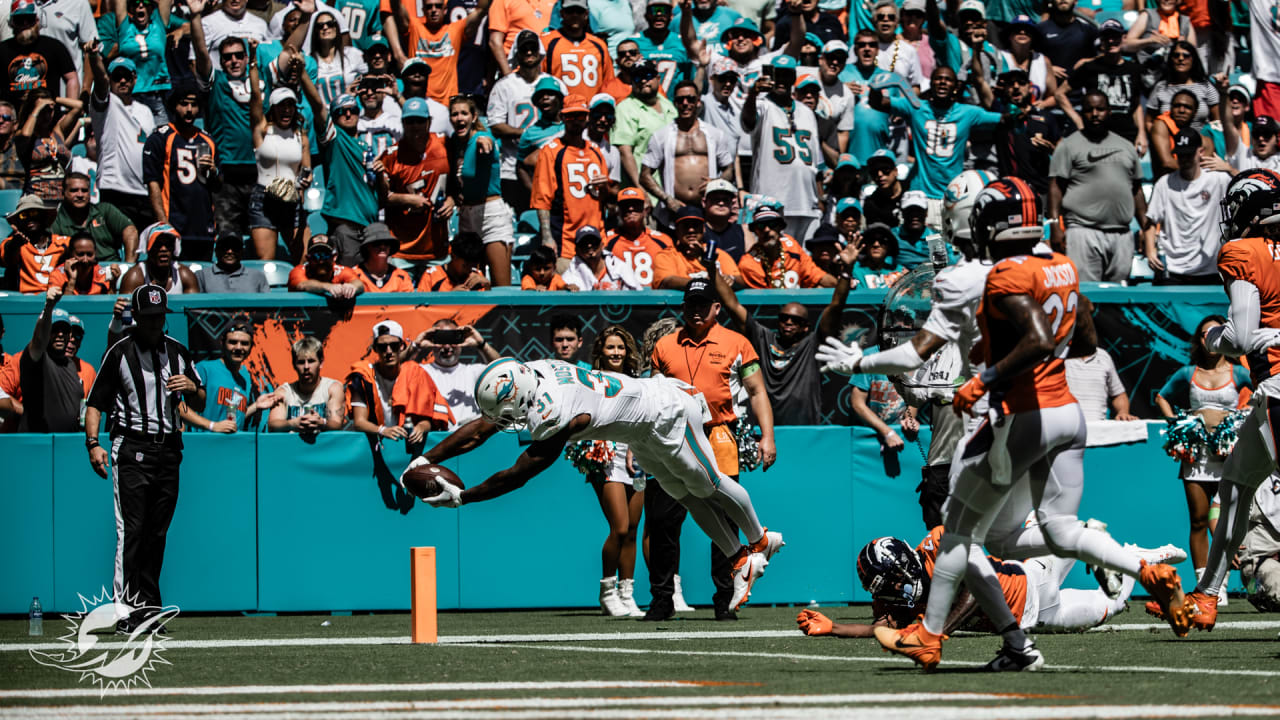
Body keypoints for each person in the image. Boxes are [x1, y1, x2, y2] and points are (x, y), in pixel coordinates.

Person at [873, 177, 1190, 671]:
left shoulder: (1000, 275)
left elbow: (1036, 339)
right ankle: (1136, 569)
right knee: (1052, 531)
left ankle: (931, 637)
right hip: (1069, 414)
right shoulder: (1060, 264)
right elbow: (1084, 342)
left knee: (959, 532)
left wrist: (986, 376)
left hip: (1018, 415)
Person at [406, 354, 783, 619]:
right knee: (687, 492)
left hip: (665, 411)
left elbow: (520, 473)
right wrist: (427, 459)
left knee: (710, 482)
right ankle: (740, 558)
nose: (505, 421)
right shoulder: (530, 374)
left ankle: (760, 538)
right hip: (638, 430)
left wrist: (465, 497)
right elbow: (479, 429)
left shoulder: (556, 411)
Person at [1154, 171, 1280, 632]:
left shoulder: (1242, 251)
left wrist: (1214, 336)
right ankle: (1207, 595)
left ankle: (1208, 594)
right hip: (1270, 394)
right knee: (1234, 489)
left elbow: (1242, 335)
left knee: (1235, 492)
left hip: (1278, 385)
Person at [646, 278, 777, 620]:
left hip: (718, 434)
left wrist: (768, 436)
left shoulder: (737, 343)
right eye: (691, 305)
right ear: (683, 307)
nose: (697, 311)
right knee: (661, 520)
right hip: (670, 436)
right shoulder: (664, 346)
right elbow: (651, 398)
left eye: (704, 305)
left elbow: (758, 391)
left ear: (717, 308)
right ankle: (661, 600)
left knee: (724, 519)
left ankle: (724, 599)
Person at [799, 530, 1180, 640]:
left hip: (1032, 581)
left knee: (1076, 538)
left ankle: (1122, 555)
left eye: (891, 586)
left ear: (902, 570)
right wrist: (834, 627)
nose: (892, 596)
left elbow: (977, 591)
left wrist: (937, 631)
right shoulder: (902, 592)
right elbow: (882, 628)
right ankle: (1139, 558)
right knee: (1109, 607)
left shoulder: (939, 546)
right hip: (1038, 618)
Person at [84, 284, 201, 634]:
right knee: (132, 531)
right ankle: (125, 612)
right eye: (148, 319)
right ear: (135, 318)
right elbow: (95, 402)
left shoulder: (178, 352)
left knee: (157, 533)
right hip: (132, 447)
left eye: (159, 318)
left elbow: (200, 397)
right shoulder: (120, 352)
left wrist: (192, 388)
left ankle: (148, 610)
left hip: (169, 449)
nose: (154, 325)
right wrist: (93, 443)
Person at [1151, 315, 1250, 600]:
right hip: (1197, 455)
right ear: (1199, 339)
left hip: (1228, 452)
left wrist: (1241, 420)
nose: (1210, 338)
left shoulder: (1238, 373)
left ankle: (1221, 584)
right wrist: (1177, 424)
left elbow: (1260, 393)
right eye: (1205, 333)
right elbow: (1162, 397)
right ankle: (1205, 586)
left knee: (1227, 519)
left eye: (1216, 332)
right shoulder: (1187, 373)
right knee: (1198, 519)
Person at [707, 235, 854, 425]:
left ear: (806, 327)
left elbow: (836, 305)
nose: (789, 322)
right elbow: (733, 306)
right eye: (784, 318)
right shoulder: (763, 339)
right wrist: (712, 269)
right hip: (766, 431)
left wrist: (847, 270)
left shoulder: (812, 345)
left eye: (796, 320)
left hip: (805, 431)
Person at [870, 66, 1001, 229]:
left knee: (955, 248)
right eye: (938, 79)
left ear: (956, 86)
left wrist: (1020, 110)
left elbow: (1003, 120)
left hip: (954, 196)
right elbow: (877, 103)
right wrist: (876, 86)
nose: (942, 83)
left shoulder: (967, 112)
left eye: (947, 79)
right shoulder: (915, 107)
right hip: (921, 196)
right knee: (933, 248)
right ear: (931, 84)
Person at [1047, 91, 1147, 284]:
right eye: (1089, 110)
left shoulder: (1126, 146)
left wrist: (1146, 228)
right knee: (1087, 296)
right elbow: (1055, 187)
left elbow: (1136, 190)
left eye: (1100, 109)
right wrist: (1054, 225)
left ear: (1109, 112)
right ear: (1082, 113)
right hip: (1082, 230)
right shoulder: (1068, 145)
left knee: (1117, 298)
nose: (1095, 114)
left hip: (1121, 233)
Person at [583, 326, 647, 616]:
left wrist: (637, 446)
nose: (616, 353)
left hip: (635, 457)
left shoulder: (638, 383)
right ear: (600, 352)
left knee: (633, 530)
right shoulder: (591, 381)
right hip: (605, 454)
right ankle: (607, 591)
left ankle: (627, 593)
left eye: (621, 347)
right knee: (619, 527)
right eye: (610, 347)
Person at [189, 0, 258, 242]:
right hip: (226, 174)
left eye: (239, 55)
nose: (234, 61)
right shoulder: (215, 82)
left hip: (259, 172)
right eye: (227, 57)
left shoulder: (259, 82)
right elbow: (200, 52)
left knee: (261, 236)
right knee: (229, 238)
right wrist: (196, 17)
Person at [742, 55, 822, 243]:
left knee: (803, 264)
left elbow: (815, 162)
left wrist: (819, 198)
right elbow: (748, 121)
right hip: (771, 202)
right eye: (777, 75)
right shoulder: (762, 106)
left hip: (805, 201)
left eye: (786, 75)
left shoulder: (807, 112)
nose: (782, 81)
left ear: (793, 78)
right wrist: (753, 94)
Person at [300, 79, 379, 267]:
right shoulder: (334, 140)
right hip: (347, 228)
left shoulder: (366, 146)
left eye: (353, 110)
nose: (349, 114)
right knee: (348, 278)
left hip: (370, 226)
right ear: (334, 118)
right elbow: (318, 107)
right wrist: (303, 73)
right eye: (342, 112)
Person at [1143, 130, 1232, 285]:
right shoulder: (1164, 183)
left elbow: (1251, 190)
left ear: (1201, 152)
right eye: (1180, 155)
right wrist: (1150, 250)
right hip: (1173, 268)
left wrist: (1231, 170)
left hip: (1210, 269)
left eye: (1189, 154)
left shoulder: (1219, 180)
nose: (1184, 159)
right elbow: (1151, 221)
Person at [641, 80, 734, 228]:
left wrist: (716, 184)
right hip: (673, 212)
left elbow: (729, 168)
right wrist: (667, 199)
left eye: (690, 99)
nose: (685, 103)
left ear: (698, 101)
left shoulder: (715, 134)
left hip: (706, 211)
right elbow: (645, 175)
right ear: (675, 103)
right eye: (680, 100)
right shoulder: (661, 136)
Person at [143, 85, 219, 260]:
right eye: (183, 104)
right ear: (173, 106)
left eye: (194, 105)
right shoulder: (160, 138)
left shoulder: (208, 140)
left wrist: (214, 172)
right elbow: (153, 184)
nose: (189, 110)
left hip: (202, 225)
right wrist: (163, 223)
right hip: (174, 221)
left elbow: (217, 186)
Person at [532, 94, 611, 262]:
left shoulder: (596, 151)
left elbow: (605, 200)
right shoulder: (551, 151)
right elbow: (542, 199)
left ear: (588, 117)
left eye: (580, 116)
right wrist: (547, 237)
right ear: (562, 117)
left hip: (597, 240)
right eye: (570, 116)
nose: (576, 121)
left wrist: (605, 187)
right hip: (566, 241)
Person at [249, 47, 309, 261]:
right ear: (272, 108)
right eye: (281, 106)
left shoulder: (300, 135)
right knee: (267, 263)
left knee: (303, 261)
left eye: (290, 106)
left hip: (291, 199)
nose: (286, 110)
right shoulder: (263, 130)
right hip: (264, 199)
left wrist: (303, 184)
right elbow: (255, 95)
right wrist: (253, 60)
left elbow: (306, 170)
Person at [378, 97, 453, 269]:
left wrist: (452, 200)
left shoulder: (445, 145)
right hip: (402, 249)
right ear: (403, 123)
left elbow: (458, 185)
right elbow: (381, 198)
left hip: (436, 247)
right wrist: (406, 199)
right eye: (410, 121)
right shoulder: (391, 155)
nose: (415, 126)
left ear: (429, 122)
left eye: (420, 121)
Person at [448, 94, 515, 287]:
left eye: (464, 113)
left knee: (500, 286)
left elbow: (485, 140)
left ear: (474, 117)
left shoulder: (479, 137)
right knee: (472, 284)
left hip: (491, 213)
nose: (459, 118)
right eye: (454, 114)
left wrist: (485, 142)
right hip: (467, 216)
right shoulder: (454, 143)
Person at [86, 46, 155, 230]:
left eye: (127, 76)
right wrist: (94, 57)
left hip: (143, 191)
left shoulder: (146, 111)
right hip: (115, 188)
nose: (122, 81)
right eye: (117, 77)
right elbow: (100, 81)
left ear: (134, 79)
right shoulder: (106, 105)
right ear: (110, 80)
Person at [1058, 19, 1147, 151]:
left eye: (1115, 37)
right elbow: (1059, 93)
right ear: (1101, 41)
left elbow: (1136, 104)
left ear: (1123, 38)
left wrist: (1141, 133)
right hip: (1096, 136)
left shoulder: (1133, 69)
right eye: (1107, 37)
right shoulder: (1089, 68)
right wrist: (1077, 120)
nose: (1111, 41)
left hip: (1127, 136)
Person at [488, 30, 550, 215]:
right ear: (517, 53)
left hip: (547, 168)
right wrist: (525, 134)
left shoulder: (553, 83)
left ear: (540, 51)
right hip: (512, 168)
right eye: (524, 49)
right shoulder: (504, 85)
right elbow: (495, 125)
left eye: (533, 48)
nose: (529, 53)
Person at [15, 284, 83, 431]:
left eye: (64, 330)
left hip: (67, 444)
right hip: (37, 444)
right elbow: (39, 341)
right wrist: (49, 307)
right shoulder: (38, 359)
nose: (59, 334)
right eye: (54, 329)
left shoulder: (70, 365)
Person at [410, 319, 500, 428]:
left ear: (461, 341)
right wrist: (415, 346)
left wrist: (482, 345)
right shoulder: (420, 371)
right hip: (436, 439)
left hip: (469, 439)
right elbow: (392, 371)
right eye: (442, 340)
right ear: (432, 341)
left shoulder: (474, 372)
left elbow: (504, 370)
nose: (447, 347)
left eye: (452, 339)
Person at [192, 320, 277, 432]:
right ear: (222, 343)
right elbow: (181, 408)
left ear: (251, 347)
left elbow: (235, 417)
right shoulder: (204, 369)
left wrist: (256, 406)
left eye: (244, 343)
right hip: (205, 443)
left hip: (234, 445)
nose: (238, 347)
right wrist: (212, 425)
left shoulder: (244, 379)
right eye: (233, 342)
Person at [994, 68, 1060, 197]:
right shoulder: (998, 115)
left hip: (1041, 190)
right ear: (1004, 89)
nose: (1016, 87)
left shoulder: (1046, 117)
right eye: (1010, 84)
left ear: (1030, 88)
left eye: (1021, 82)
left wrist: (1051, 149)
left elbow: (1062, 151)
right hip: (1009, 191)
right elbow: (979, 82)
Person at [0, 0, 78, 107]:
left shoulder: (53, 46)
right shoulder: (3, 50)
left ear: (37, 20)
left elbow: (71, 78)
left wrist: (70, 112)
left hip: (49, 117)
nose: (25, 24)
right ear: (12, 23)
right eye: (19, 20)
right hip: (14, 120)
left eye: (29, 19)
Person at [612, 60, 676, 188]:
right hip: (646, 189)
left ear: (658, 78)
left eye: (647, 76)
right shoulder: (624, 109)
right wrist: (640, 188)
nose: (642, 81)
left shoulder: (668, 104)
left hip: (672, 186)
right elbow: (625, 152)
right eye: (637, 77)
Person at [106, 0, 172, 123]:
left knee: (161, 138)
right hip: (132, 95)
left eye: (145, 3)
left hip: (157, 94)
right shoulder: (126, 27)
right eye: (136, 3)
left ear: (151, 9)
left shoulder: (158, 24)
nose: (140, 5)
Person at [348, 320, 415, 440]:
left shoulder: (413, 375)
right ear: (375, 349)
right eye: (382, 347)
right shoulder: (364, 376)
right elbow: (359, 421)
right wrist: (382, 430)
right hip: (375, 442)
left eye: (393, 346)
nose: (388, 351)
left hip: (406, 441)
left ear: (401, 346)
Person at [738, 206, 834, 289]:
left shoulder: (792, 247)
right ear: (755, 231)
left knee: (819, 287)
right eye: (760, 226)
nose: (767, 230)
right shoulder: (748, 264)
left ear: (780, 227)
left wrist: (843, 284)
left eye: (772, 224)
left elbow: (816, 276)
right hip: (769, 308)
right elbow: (764, 303)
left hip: (797, 303)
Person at [51, 172, 138, 263]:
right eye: (74, 190)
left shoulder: (105, 210)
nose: (80, 195)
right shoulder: (55, 219)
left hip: (110, 267)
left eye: (84, 190)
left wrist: (128, 265)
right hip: (75, 269)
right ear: (63, 193)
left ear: (90, 192)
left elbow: (131, 231)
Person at [267, 336, 346, 434]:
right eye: (301, 362)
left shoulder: (333, 388)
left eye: (311, 361)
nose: (306, 367)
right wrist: (293, 424)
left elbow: (337, 424)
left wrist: (321, 423)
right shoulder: (284, 392)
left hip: (323, 448)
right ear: (294, 365)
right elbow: (273, 424)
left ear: (321, 363)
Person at [541, 0, 614, 100]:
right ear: (562, 13)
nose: (575, 15)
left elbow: (608, 83)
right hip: (560, 110)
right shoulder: (547, 43)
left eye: (579, 11)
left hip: (591, 111)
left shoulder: (599, 45)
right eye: (570, 11)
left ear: (586, 14)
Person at [652, 206, 739, 289]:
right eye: (686, 226)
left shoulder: (717, 253)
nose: (691, 230)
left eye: (695, 225)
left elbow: (741, 279)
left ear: (704, 229)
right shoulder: (666, 255)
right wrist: (703, 283)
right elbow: (666, 281)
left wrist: (731, 279)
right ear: (677, 229)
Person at [1145, 41, 1221, 134]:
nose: (1181, 59)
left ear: (1193, 60)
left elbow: (1217, 121)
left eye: (1186, 56)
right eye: (1176, 55)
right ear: (1171, 59)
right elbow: (1149, 121)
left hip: (1201, 143)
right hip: (1169, 144)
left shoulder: (1205, 86)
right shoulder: (1161, 87)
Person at [0, 194, 67, 294]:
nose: (29, 218)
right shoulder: (12, 243)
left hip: (56, 299)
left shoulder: (64, 243)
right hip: (25, 301)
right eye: (23, 215)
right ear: (18, 221)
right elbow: (7, 257)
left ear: (44, 216)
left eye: (34, 213)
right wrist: (15, 244)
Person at [606, 186, 671, 288]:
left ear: (645, 210)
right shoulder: (608, 240)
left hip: (654, 299)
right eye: (625, 206)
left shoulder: (663, 241)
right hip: (622, 299)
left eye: (636, 205)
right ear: (619, 211)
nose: (631, 209)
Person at [120, 223, 200, 295]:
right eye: (158, 245)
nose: (163, 249)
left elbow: (194, 308)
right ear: (148, 249)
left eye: (168, 244)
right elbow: (127, 309)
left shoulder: (185, 275)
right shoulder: (135, 276)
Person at [561, 225, 642, 291]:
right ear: (577, 250)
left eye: (594, 242)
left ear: (602, 245)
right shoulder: (570, 275)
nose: (589, 246)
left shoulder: (619, 267)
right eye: (584, 243)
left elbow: (635, 292)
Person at [488, 0, 556, 75]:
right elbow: (495, 42)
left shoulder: (556, 2)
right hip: (518, 69)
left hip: (549, 69)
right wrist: (508, 75)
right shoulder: (502, 1)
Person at [1035, 0, 1097, 80]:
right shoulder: (1040, 30)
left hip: (1079, 88)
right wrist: (1047, 68)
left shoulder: (1088, 30)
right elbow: (1029, 58)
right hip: (1050, 87)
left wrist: (1087, 61)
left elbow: (1104, 56)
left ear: (1075, 1)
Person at [870, 0, 921, 94]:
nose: (886, 20)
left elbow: (916, 86)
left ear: (897, 23)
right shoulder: (862, 47)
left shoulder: (909, 51)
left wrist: (901, 103)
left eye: (891, 17)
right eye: (881, 17)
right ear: (874, 21)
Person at [287, 236, 363, 297]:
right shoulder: (298, 271)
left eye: (325, 256)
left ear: (334, 257)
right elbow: (302, 285)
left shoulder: (340, 271)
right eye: (316, 256)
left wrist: (352, 287)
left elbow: (358, 283)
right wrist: (327, 287)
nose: (321, 261)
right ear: (308, 258)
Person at [46, 232, 118, 295]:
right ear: (71, 254)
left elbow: (109, 306)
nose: (85, 260)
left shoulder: (103, 275)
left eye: (89, 254)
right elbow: (62, 308)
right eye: (80, 254)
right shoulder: (58, 275)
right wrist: (71, 282)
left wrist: (113, 284)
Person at [197, 232, 269, 293]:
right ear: (216, 251)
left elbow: (268, 306)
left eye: (235, 247)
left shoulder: (257, 276)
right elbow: (193, 307)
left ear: (242, 252)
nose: (230, 251)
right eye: (225, 247)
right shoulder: (201, 276)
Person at [416, 232, 492, 291]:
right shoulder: (431, 276)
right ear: (453, 256)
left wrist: (487, 287)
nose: (469, 270)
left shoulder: (477, 277)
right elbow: (420, 308)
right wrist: (451, 297)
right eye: (465, 265)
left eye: (473, 266)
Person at [351, 223, 414, 292]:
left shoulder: (402, 276)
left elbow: (409, 302)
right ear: (367, 247)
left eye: (386, 243)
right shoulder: (354, 274)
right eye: (377, 243)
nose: (382, 247)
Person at [700, 178, 745, 261]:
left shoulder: (740, 230)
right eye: (715, 200)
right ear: (704, 202)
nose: (721, 203)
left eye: (726, 200)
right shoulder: (698, 231)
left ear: (732, 204)